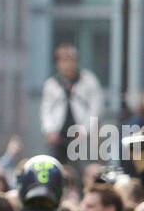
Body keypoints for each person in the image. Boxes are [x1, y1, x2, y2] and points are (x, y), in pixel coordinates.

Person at [40, 43, 103, 182]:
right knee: (55, 167)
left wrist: (84, 130)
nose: (68, 65)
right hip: (59, 133)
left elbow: (95, 107)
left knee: (82, 169)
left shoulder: (88, 80)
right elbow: (46, 109)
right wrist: (50, 130)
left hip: (81, 134)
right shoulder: (52, 84)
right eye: (64, 61)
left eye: (71, 60)